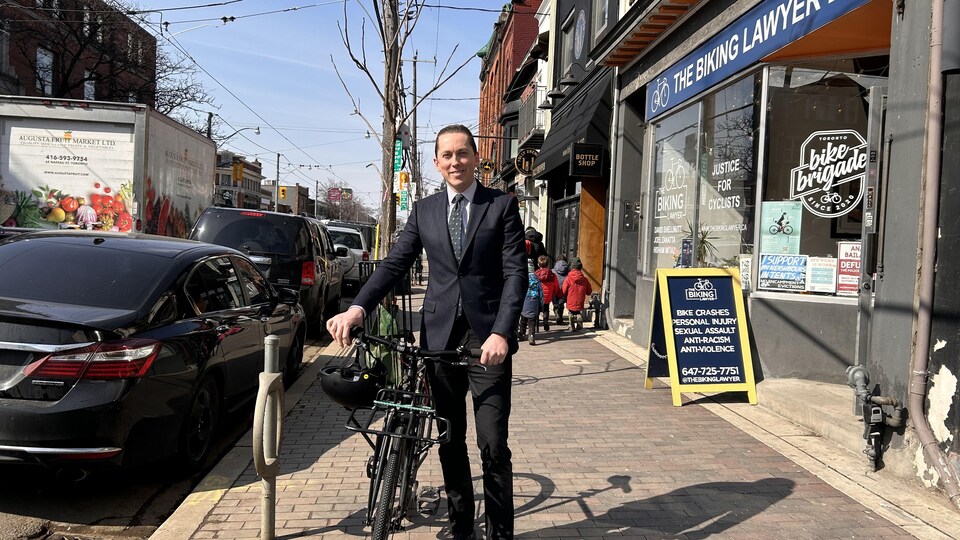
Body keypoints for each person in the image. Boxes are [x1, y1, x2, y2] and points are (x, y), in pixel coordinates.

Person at [327, 124, 526, 540]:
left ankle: (500, 535)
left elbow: (514, 275)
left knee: (492, 444)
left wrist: (503, 333)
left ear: (476, 158)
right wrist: (358, 307)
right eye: (447, 155)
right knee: (449, 441)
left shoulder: (501, 205)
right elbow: (395, 264)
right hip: (437, 339)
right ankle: (461, 531)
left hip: (486, 341)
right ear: (437, 163)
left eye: (463, 153)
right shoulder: (425, 210)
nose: (455, 161)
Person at [561, 257, 592, 331]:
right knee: (578, 311)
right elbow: (589, 291)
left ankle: (571, 324)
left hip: (571, 299)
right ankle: (579, 316)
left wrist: (562, 295)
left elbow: (564, 290)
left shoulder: (568, 278)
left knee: (571, 312)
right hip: (580, 300)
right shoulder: (584, 279)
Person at [518, 261, 543, 345]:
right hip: (534, 301)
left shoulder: (523, 278)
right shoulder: (536, 278)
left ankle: (521, 334)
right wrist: (541, 304)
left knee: (523, 320)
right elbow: (541, 293)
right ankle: (531, 335)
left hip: (525, 300)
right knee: (532, 321)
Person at [534, 255, 560, 332]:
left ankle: (536, 324)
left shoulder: (536, 274)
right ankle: (545, 321)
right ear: (548, 264)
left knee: (537, 310)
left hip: (538, 295)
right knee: (546, 309)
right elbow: (556, 285)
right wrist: (555, 293)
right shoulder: (552, 275)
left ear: (538, 264)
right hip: (548, 296)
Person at [552, 255, 570, 324]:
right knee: (561, 304)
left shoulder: (553, 271)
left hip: (555, 290)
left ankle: (556, 313)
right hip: (564, 290)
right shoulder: (568, 271)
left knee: (556, 304)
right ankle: (560, 316)